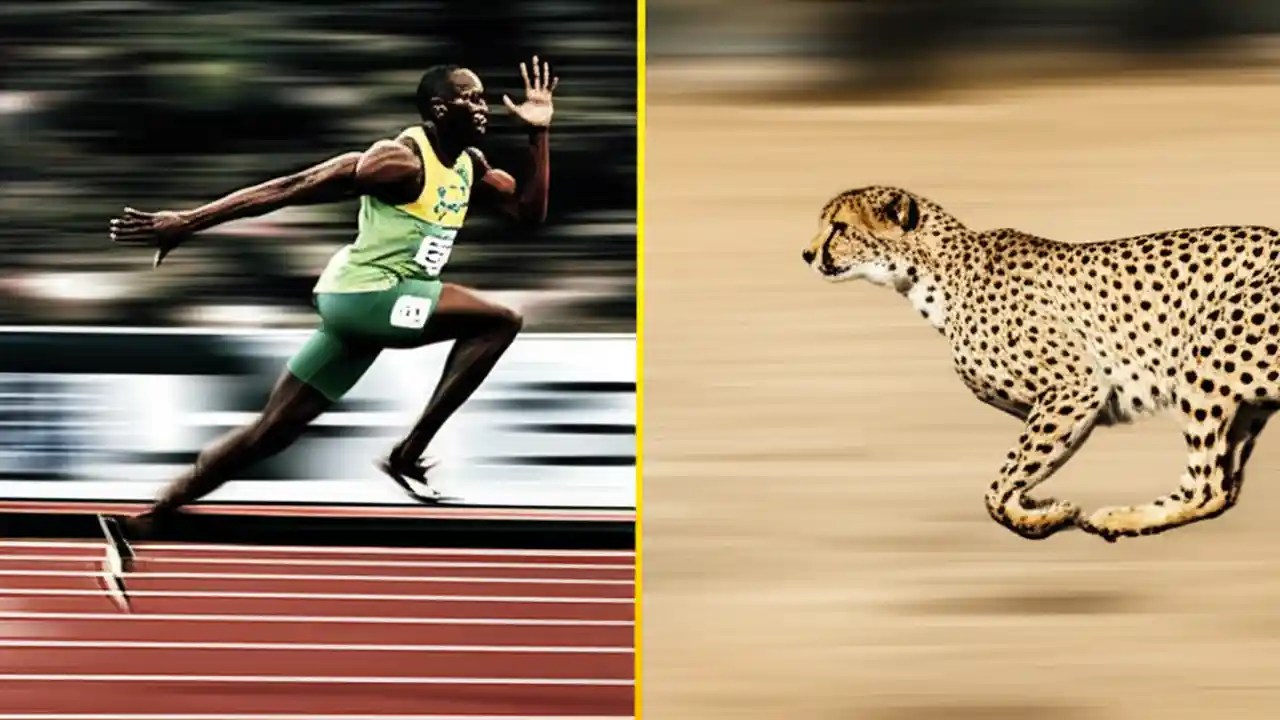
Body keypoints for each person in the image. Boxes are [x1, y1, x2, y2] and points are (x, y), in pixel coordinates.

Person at [99, 56, 559, 589]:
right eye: (470, 98)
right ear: (439, 108)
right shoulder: (397, 161)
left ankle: (145, 520)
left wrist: (540, 134)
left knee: (269, 433)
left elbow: (529, 214)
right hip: (367, 297)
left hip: (373, 307)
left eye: (483, 98)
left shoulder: (470, 166)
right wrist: (189, 222)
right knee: (500, 320)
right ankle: (407, 455)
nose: (483, 107)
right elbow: (290, 186)